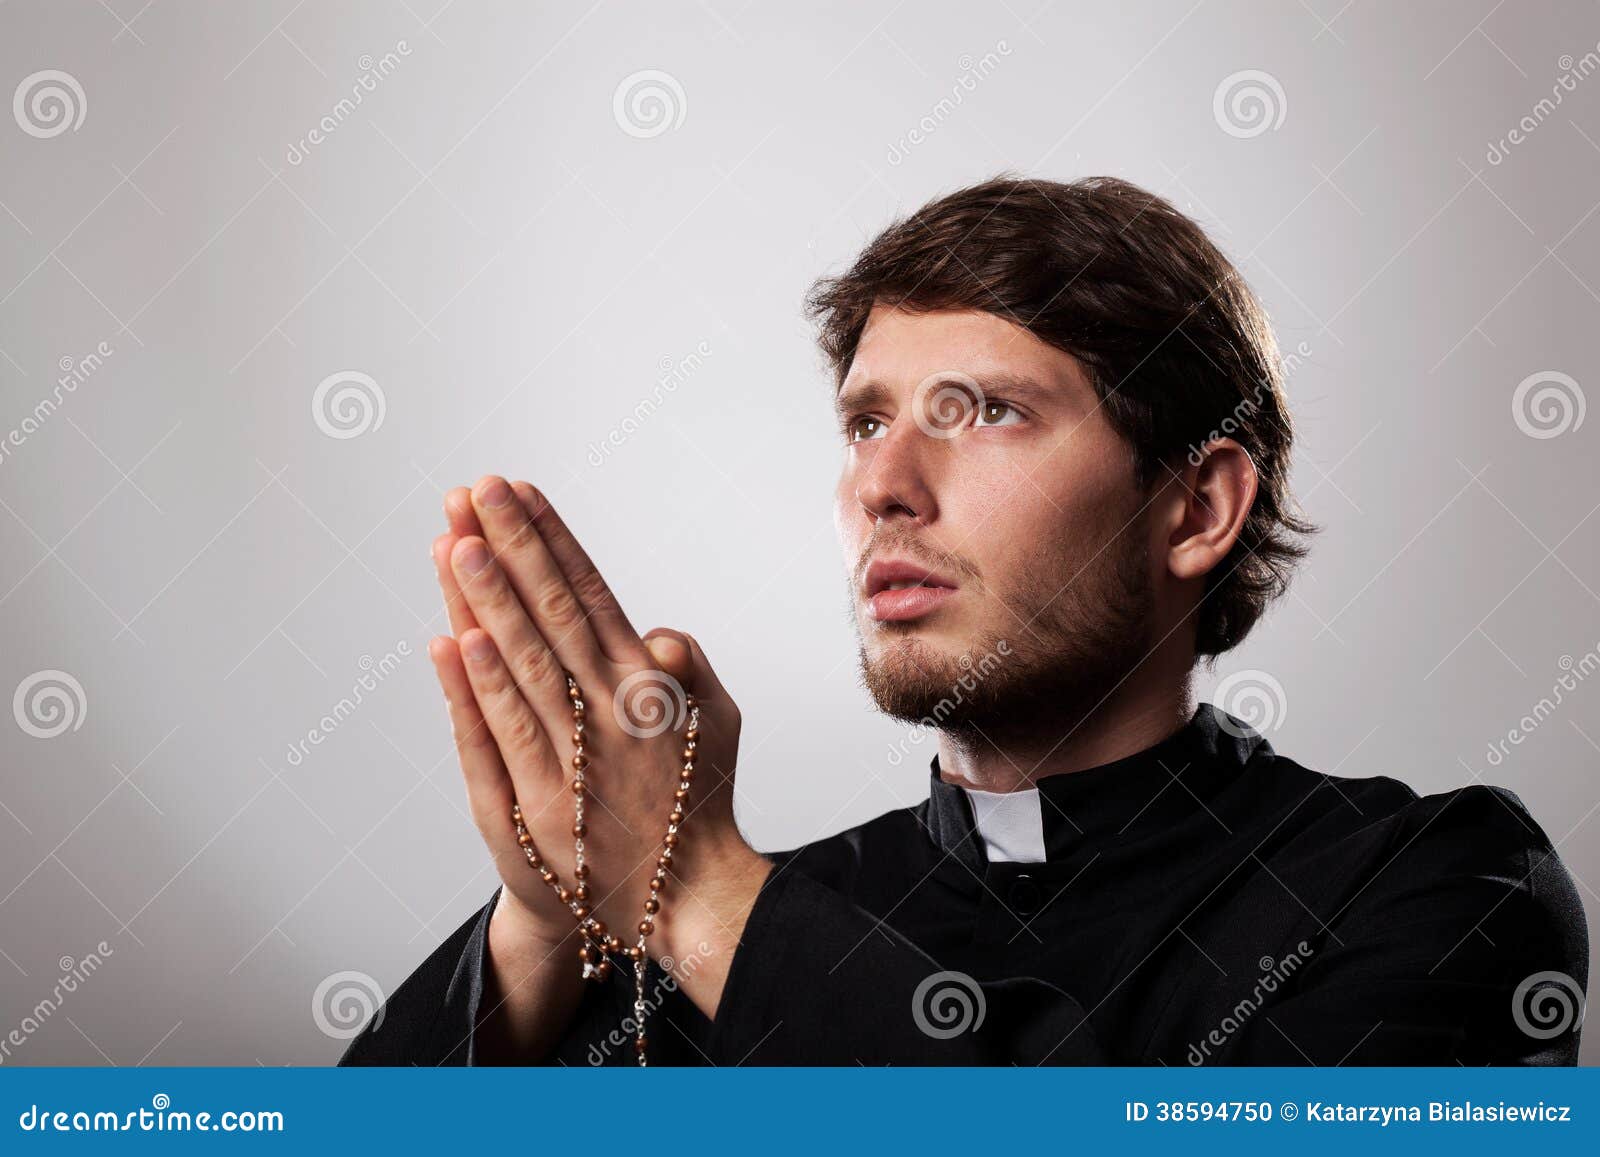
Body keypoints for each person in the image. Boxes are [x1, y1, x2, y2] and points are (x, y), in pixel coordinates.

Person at [340, 176, 1587, 1066]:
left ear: (1196, 506)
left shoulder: (1433, 883)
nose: (882, 482)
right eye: (868, 421)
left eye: (983, 409)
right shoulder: (749, 915)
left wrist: (700, 893)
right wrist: (548, 919)